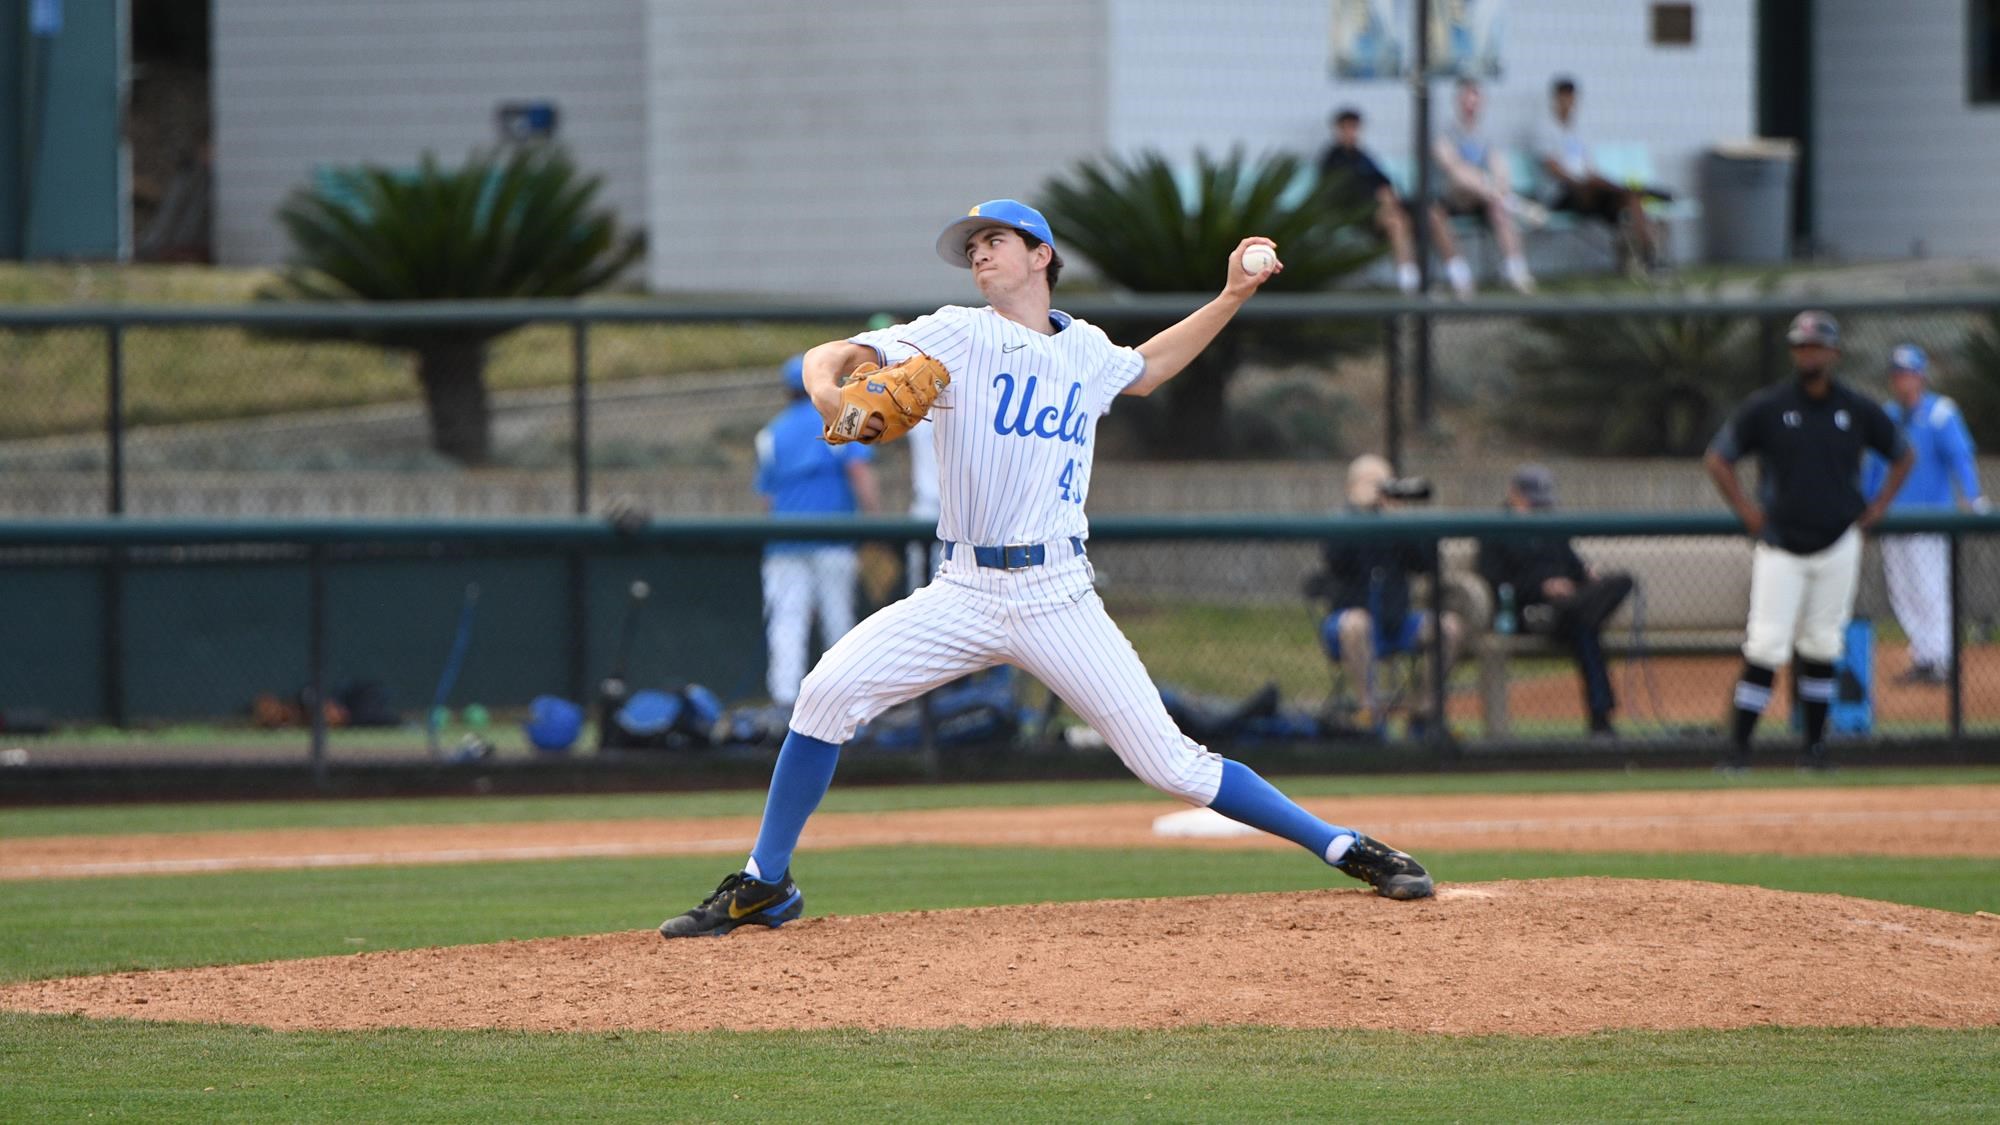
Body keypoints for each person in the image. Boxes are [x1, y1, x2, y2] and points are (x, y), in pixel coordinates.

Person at [660, 200, 1435, 937]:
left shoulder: (1088, 350)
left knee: (1170, 761)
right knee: (825, 692)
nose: (979, 254)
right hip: (962, 589)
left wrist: (1232, 292)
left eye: (994, 240)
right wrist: (831, 390)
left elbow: (1151, 368)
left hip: (1057, 592)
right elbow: (832, 355)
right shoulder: (957, 333)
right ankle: (767, 881)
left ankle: (1342, 845)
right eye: (971, 247)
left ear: (1041, 255)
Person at [1704, 311, 1912, 771]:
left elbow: (1902, 453)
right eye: (1801, 346)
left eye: (1816, 346)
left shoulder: (1855, 407)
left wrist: (1879, 507)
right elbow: (1718, 457)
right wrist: (1747, 511)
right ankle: (1738, 751)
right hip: (1781, 542)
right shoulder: (1769, 405)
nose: (1809, 353)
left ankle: (1815, 750)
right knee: (1766, 644)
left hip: (1839, 539)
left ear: (1833, 353)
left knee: (1822, 644)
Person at [754, 354, 881, 708]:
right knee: (838, 621)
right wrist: (876, 522)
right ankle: (843, 703)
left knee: (787, 622)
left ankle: (784, 703)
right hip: (833, 541)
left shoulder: (770, 433)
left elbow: (767, 499)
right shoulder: (844, 416)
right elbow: (860, 473)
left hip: (784, 543)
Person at [1308, 454, 1465, 734]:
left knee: (1449, 628)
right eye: (1371, 482)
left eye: (1385, 482)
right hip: (1348, 624)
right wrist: (1359, 512)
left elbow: (1428, 564)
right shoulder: (1339, 521)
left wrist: (1399, 521)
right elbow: (1336, 560)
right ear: (1351, 487)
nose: (1380, 488)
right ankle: (1369, 714)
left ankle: (1423, 713)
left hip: (1397, 623)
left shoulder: (1397, 521)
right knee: (1356, 623)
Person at [1476, 464, 1636, 738]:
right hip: (1529, 612)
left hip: (1567, 608)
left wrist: (1587, 576)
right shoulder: (1496, 531)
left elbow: (1573, 567)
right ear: (1514, 494)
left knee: (1621, 581)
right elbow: (1494, 584)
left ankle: (1581, 610)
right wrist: (1542, 587)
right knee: (1585, 628)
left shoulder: (1551, 526)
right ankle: (1601, 719)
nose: (1538, 508)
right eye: (1532, 501)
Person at [1862, 343, 1989, 684]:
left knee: (1930, 587)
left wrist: (1973, 496)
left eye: (1908, 374)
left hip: (1931, 517)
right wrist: (1866, 504)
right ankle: (1924, 656)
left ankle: (1942, 659)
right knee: (1902, 590)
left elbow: (1960, 457)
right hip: (1893, 517)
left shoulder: (1940, 412)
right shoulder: (1887, 416)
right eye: (1897, 374)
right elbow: (1874, 464)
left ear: (1921, 377)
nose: (1903, 381)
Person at [1318, 107, 1475, 298]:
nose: (1351, 132)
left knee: (1434, 213)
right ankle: (1412, 286)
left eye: (1355, 128)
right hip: (1361, 213)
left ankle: (1459, 277)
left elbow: (1384, 181)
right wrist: (1376, 199)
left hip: (1391, 205)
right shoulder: (1332, 160)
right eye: (1347, 128)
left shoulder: (1364, 157)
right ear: (1339, 130)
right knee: (1397, 223)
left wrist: (1388, 194)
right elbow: (1336, 195)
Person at [1531, 76, 1661, 274]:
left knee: (1630, 198)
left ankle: (1648, 256)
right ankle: (1637, 192)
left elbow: (1589, 167)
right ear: (1556, 98)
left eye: (1572, 99)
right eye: (1565, 98)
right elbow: (1552, 169)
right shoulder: (1544, 129)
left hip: (1591, 193)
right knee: (1607, 188)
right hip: (1564, 193)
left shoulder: (1578, 130)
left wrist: (1591, 179)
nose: (1569, 103)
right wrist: (1582, 180)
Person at [1432, 77, 1537, 295]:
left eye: (1475, 100)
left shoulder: (1488, 134)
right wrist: (1491, 186)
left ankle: (1516, 270)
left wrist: (1499, 186)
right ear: (1458, 102)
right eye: (1466, 100)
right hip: (1454, 196)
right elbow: (1451, 166)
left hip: (1485, 197)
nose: (1470, 105)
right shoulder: (1445, 131)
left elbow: (1499, 166)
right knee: (1460, 177)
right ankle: (1513, 204)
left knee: (1499, 207)